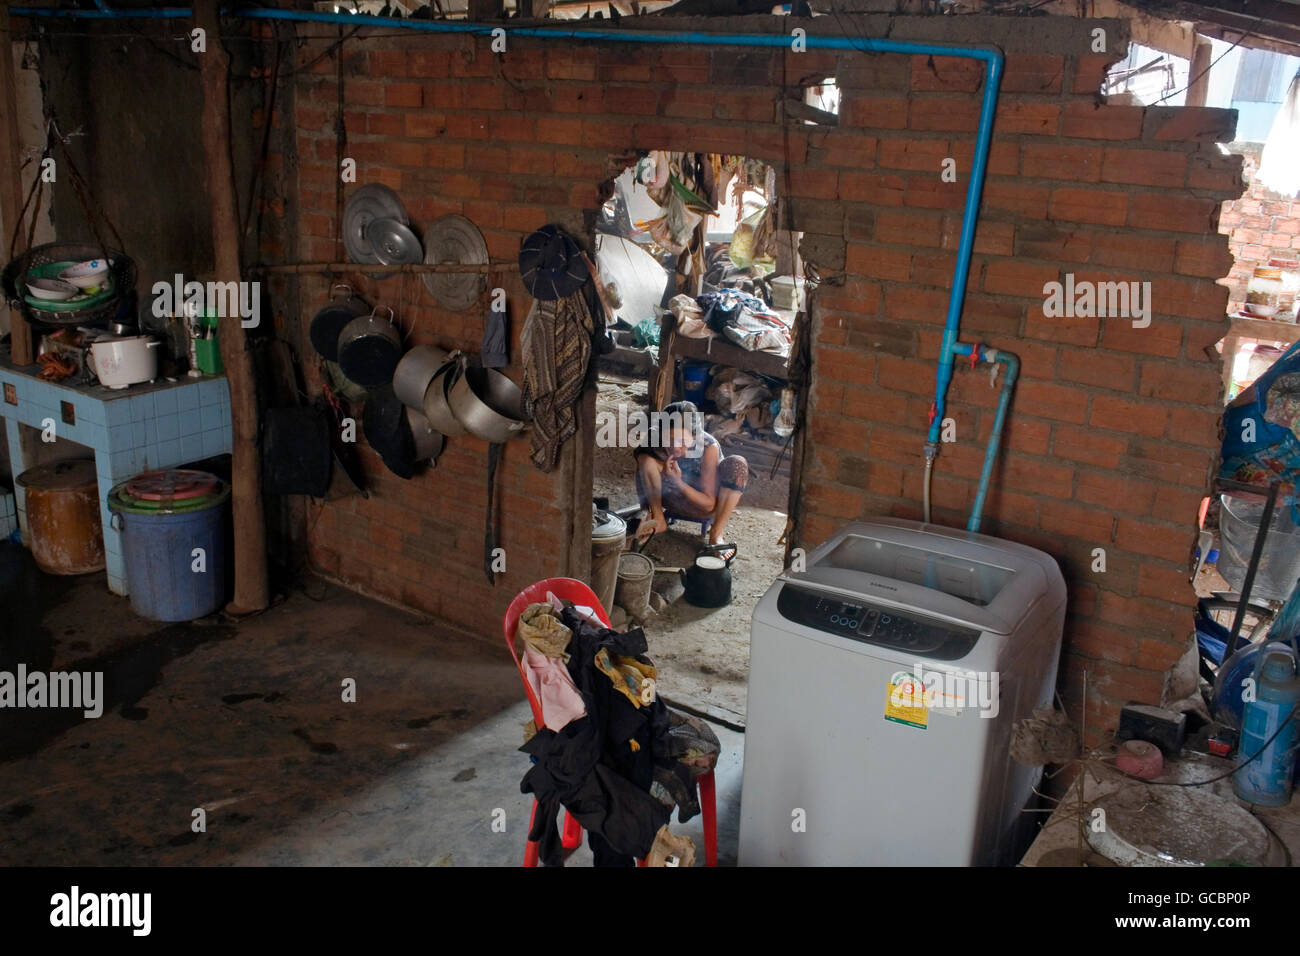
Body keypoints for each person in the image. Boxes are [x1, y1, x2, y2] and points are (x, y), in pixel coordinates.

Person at [633, 401, 748, 547]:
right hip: (668, 499)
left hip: (702, 506)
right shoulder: (655, 437)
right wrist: (648, 509)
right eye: (670, 439)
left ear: (694, 436)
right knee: (645, 458)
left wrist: (678, 481)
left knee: (738, 464)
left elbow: (708, 504)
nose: (675, 447)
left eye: (681, 441)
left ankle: (716, 533)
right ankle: (658, 517)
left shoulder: (708, 446)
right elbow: (643, 476)